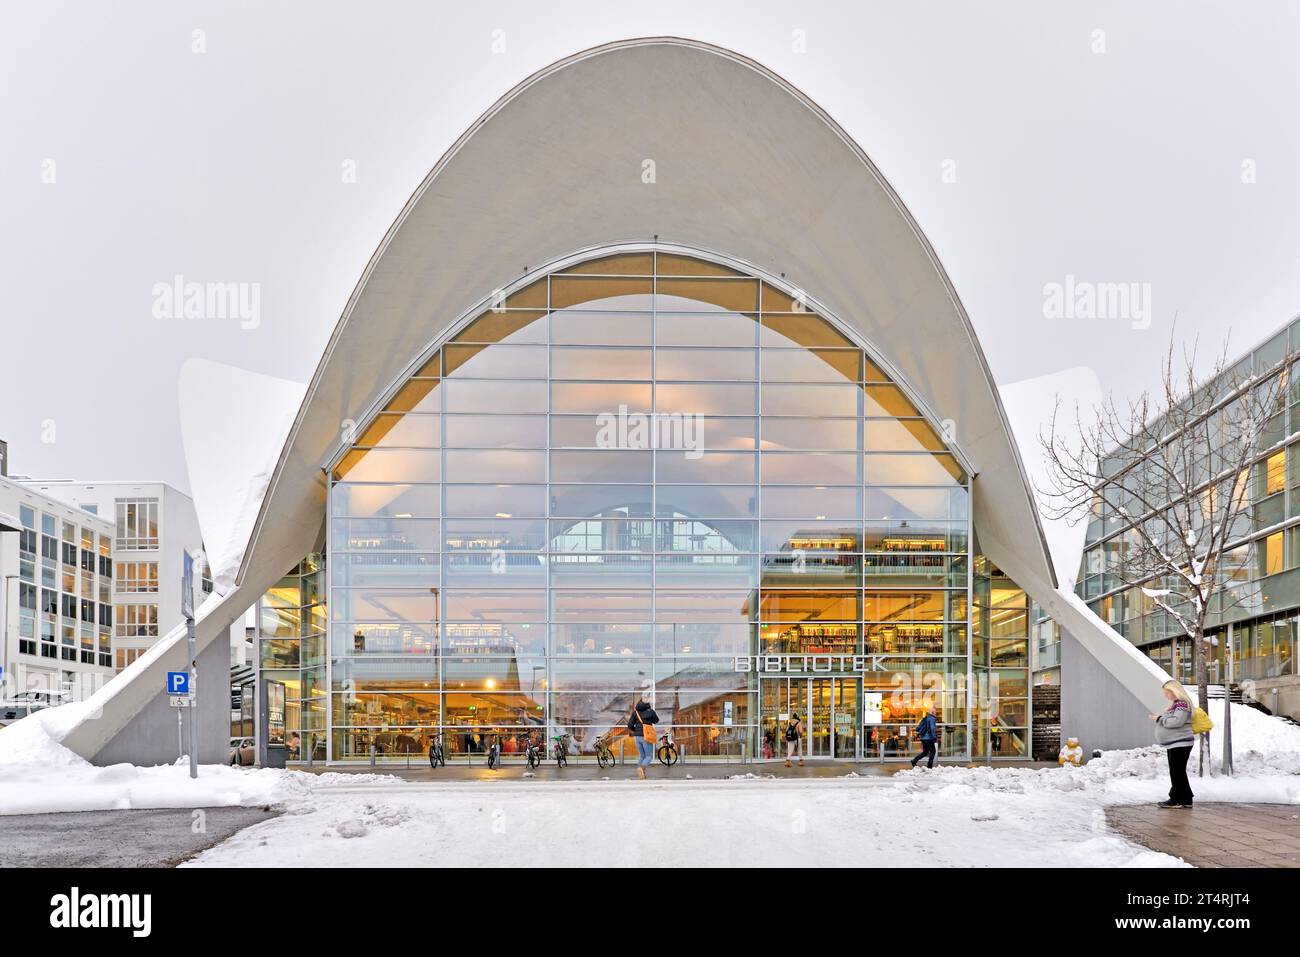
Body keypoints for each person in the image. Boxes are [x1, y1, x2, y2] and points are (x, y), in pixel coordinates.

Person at [1150, 679, 1194, 808]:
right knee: (1178, 772)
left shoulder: (1182, 704)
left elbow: (1176, 722)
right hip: (1175, 743)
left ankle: (1175, 799)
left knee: (1177, 772)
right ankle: (1186, 799)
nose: (1165, 695)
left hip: (1180, 743)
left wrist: (1159, 718)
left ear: (1174, 691)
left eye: (1167, 692)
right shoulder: (1176, 704)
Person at [627, 680, 660, 779]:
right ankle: (641, 769)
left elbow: (629, 725)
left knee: (642, 756)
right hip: (647, 736)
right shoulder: (650, 711)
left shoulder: (635, 712)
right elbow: (656, 721)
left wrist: (636, 730)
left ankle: (642, 773)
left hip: (637, 737)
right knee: (648, 756)